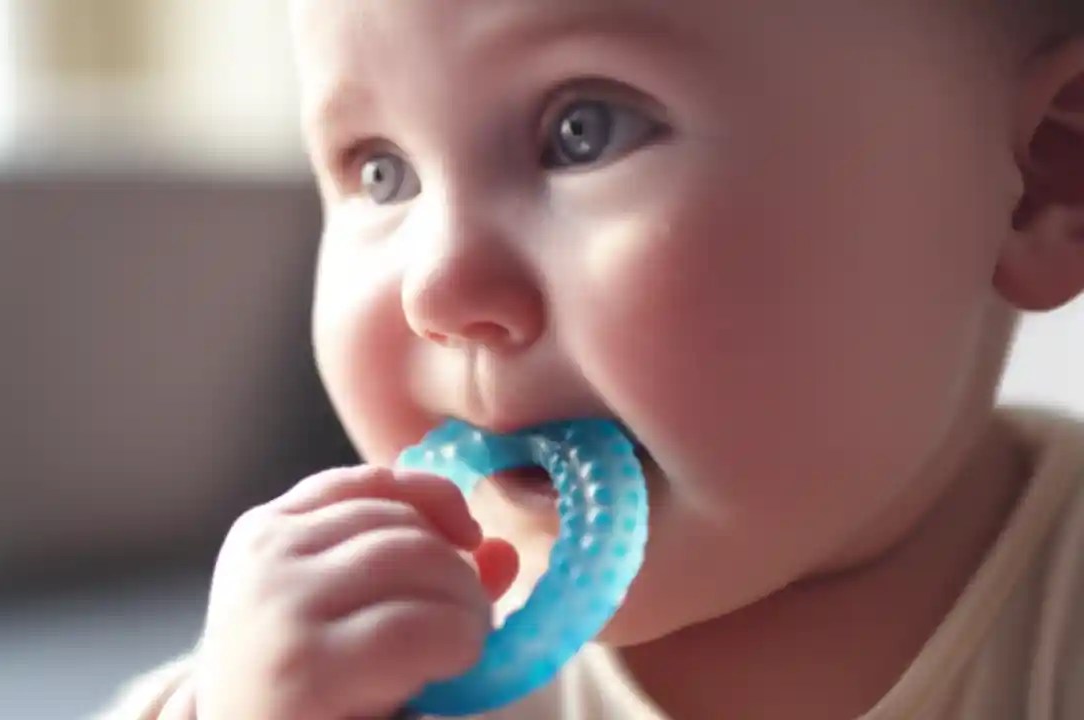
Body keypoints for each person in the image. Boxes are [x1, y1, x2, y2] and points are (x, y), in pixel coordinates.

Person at [101, 1, 1084, 718]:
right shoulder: (373, 657)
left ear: (1041, 177)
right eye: (379, 170)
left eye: (583, 131)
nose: (435, 290)